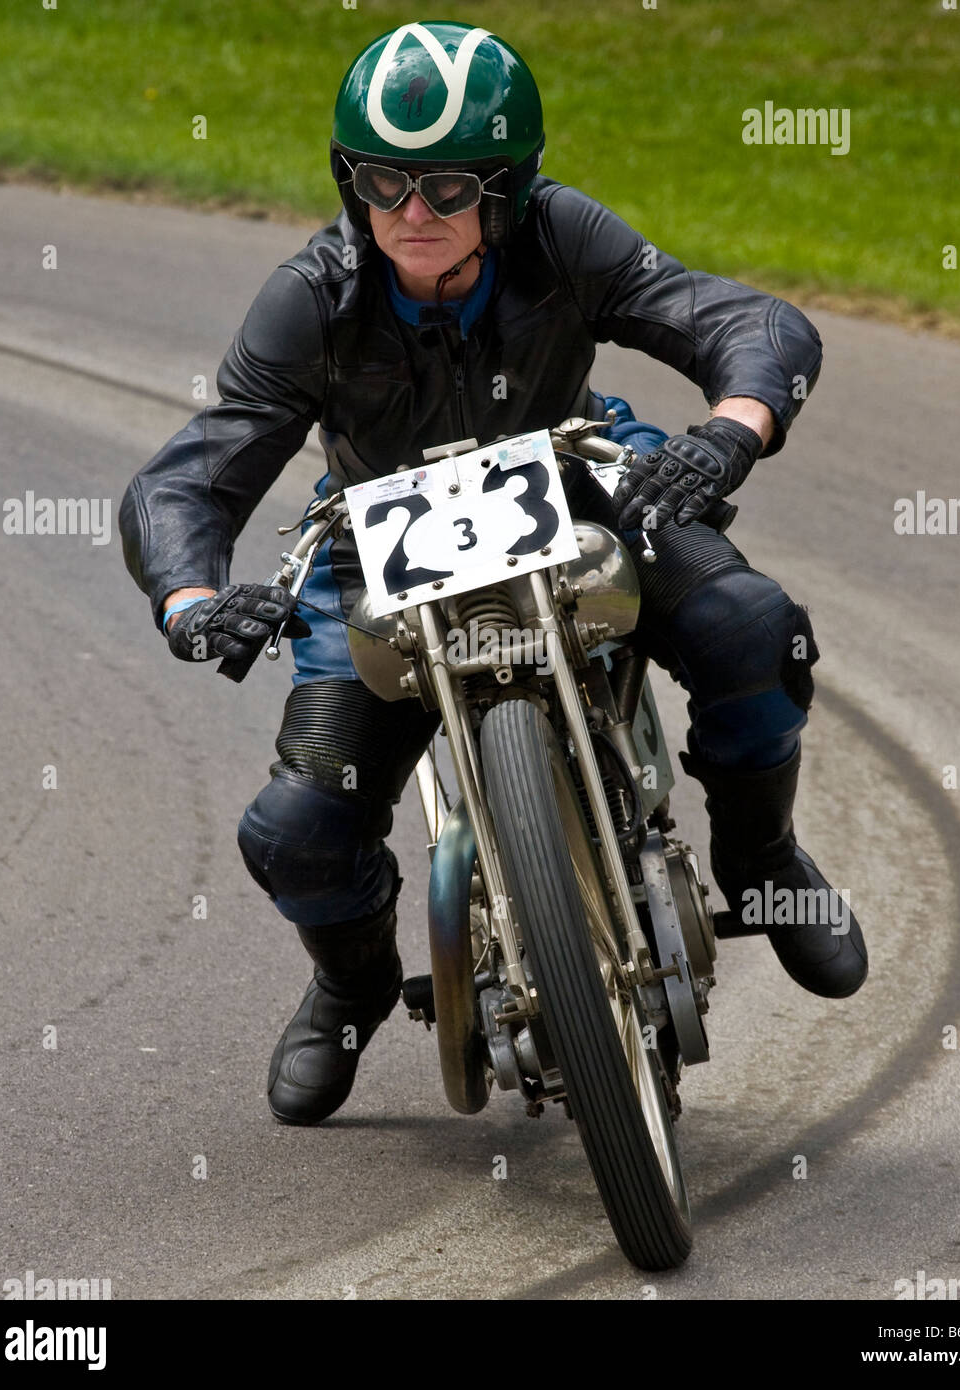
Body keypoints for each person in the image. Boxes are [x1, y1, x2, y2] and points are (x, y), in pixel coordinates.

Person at [120, 21, 868, 1127]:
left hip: (574, 480)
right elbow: (187, 478)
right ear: (347, 180)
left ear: (508, 192)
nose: (408, 214)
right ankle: (351, 986)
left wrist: (728, 430)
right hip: (378, 546)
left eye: (446, 187)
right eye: (381, 183)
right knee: (295, 830)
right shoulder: (311, 295)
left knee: (754, 626)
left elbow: (749, 322)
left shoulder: (561, 237)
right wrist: (190, 601)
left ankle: (759, 852)